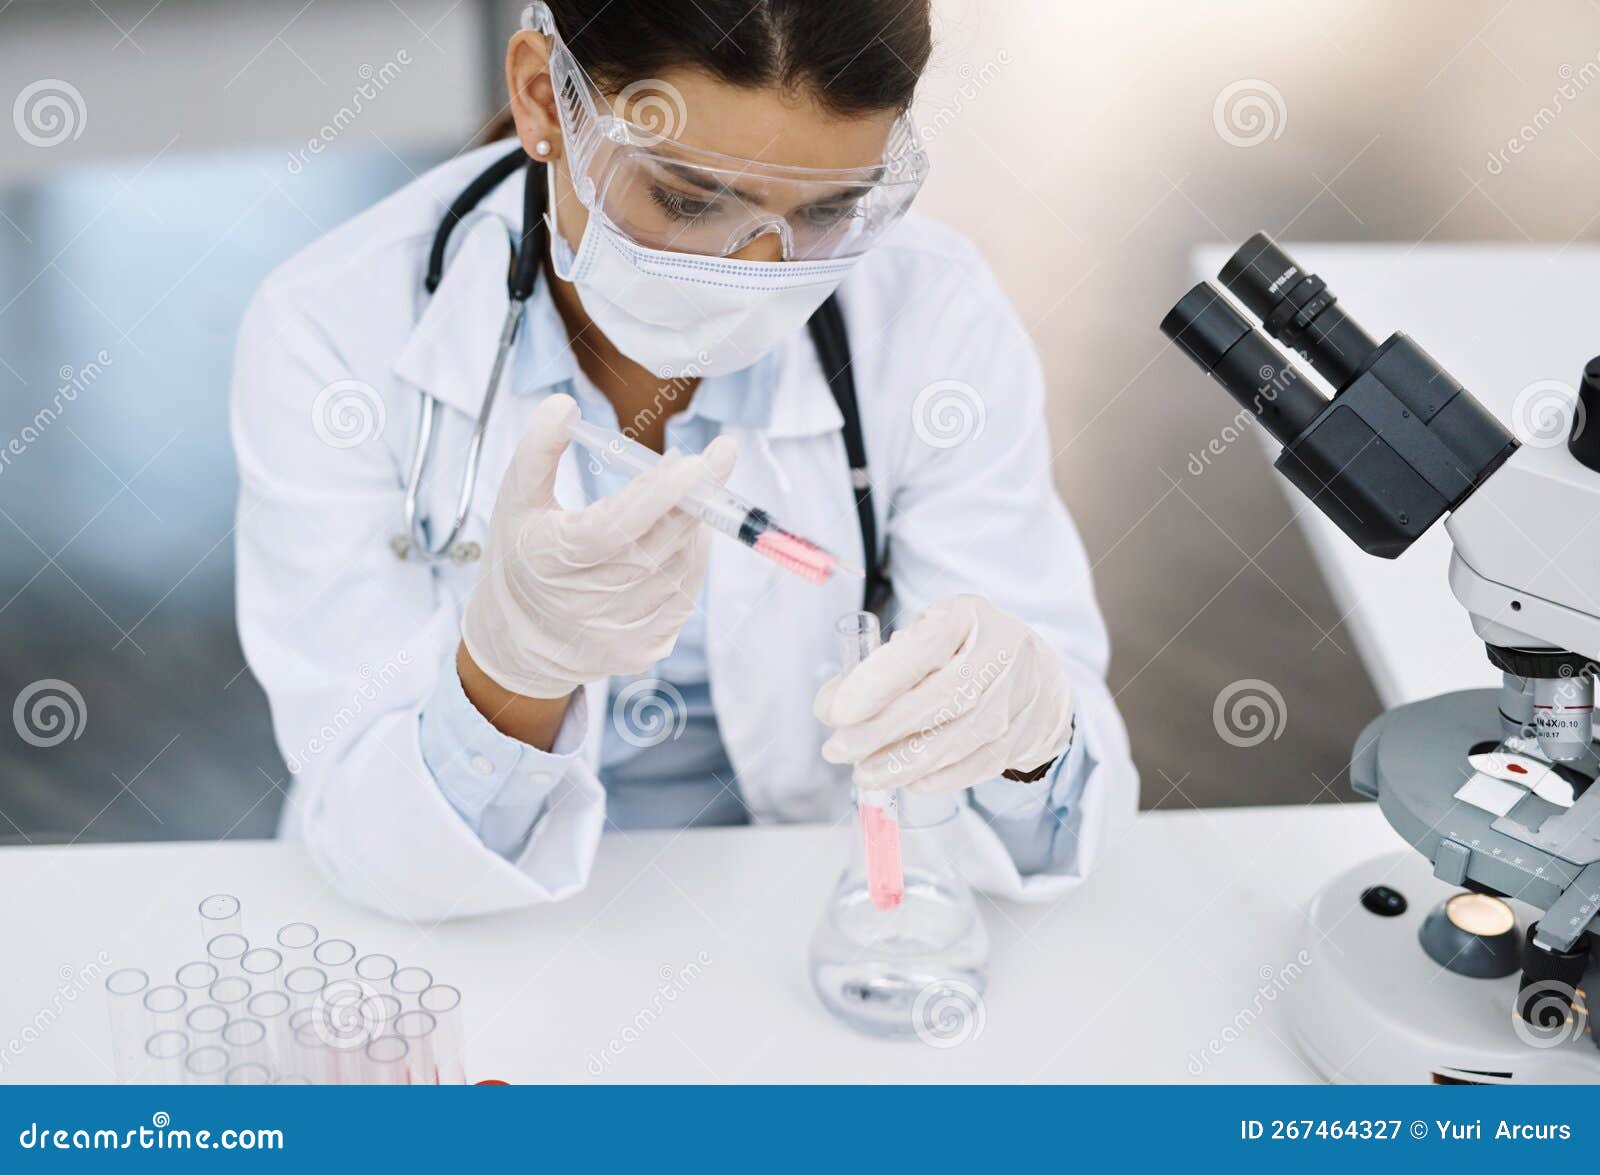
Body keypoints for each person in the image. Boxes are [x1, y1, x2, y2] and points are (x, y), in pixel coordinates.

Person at [231, 0, 1136, 920]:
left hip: (792, 912)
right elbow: (386, 843)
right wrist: (514, 672)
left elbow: (1052, 820)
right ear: (544, 97)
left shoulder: (932, 312)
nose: (759, 269)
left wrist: (1027, 742)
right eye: (691, 200)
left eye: (829, 209)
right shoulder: (333, 327)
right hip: (485, 932)